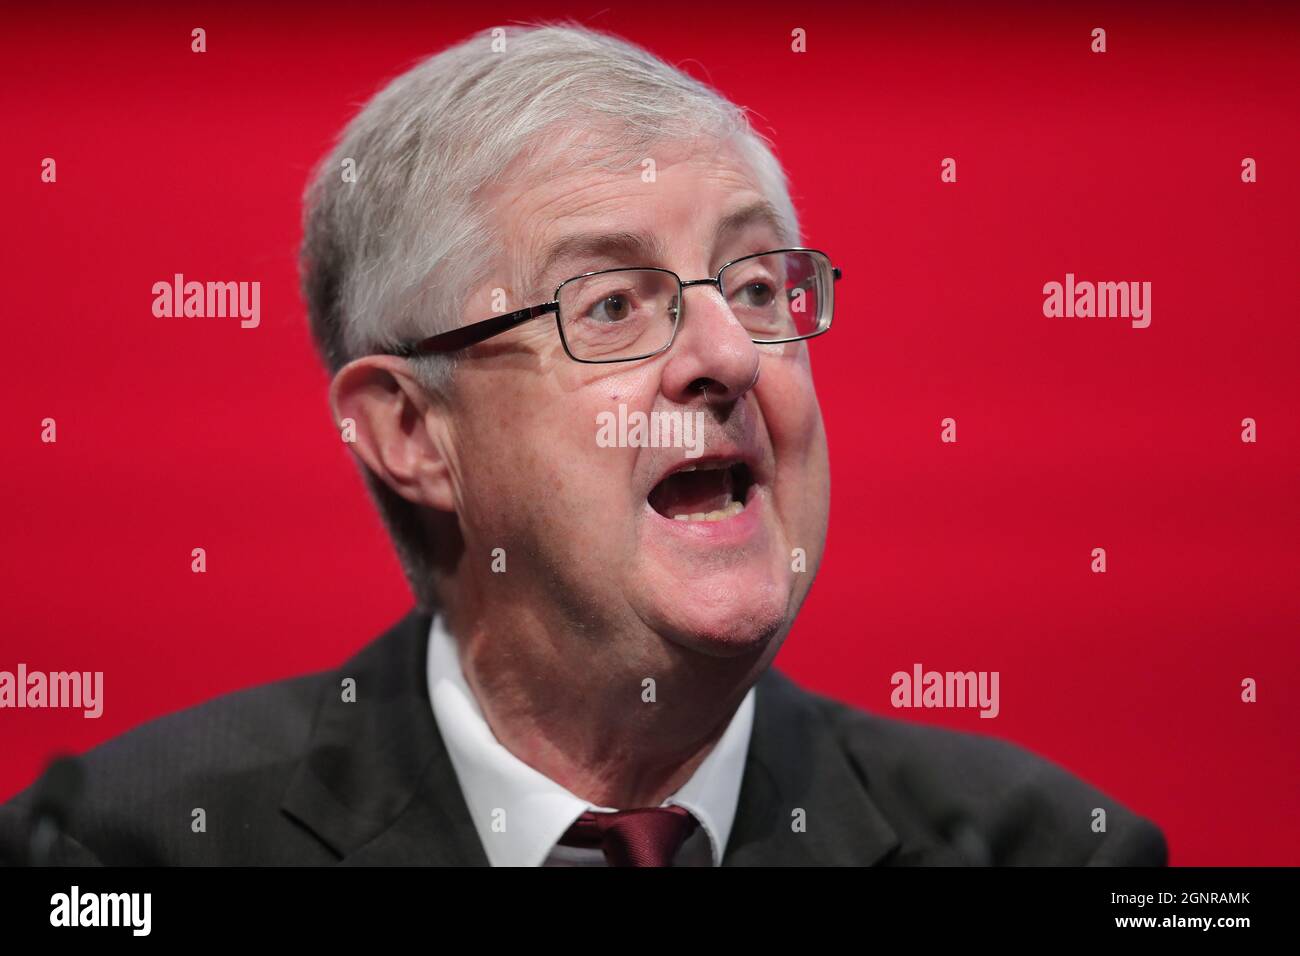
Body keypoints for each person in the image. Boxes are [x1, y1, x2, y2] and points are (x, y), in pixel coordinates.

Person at [0, 23, 1165, 867]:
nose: (729, 351)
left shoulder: (1045, 849)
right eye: (610, 304)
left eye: (756, 284)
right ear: (413, 431)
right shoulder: (117, 853)